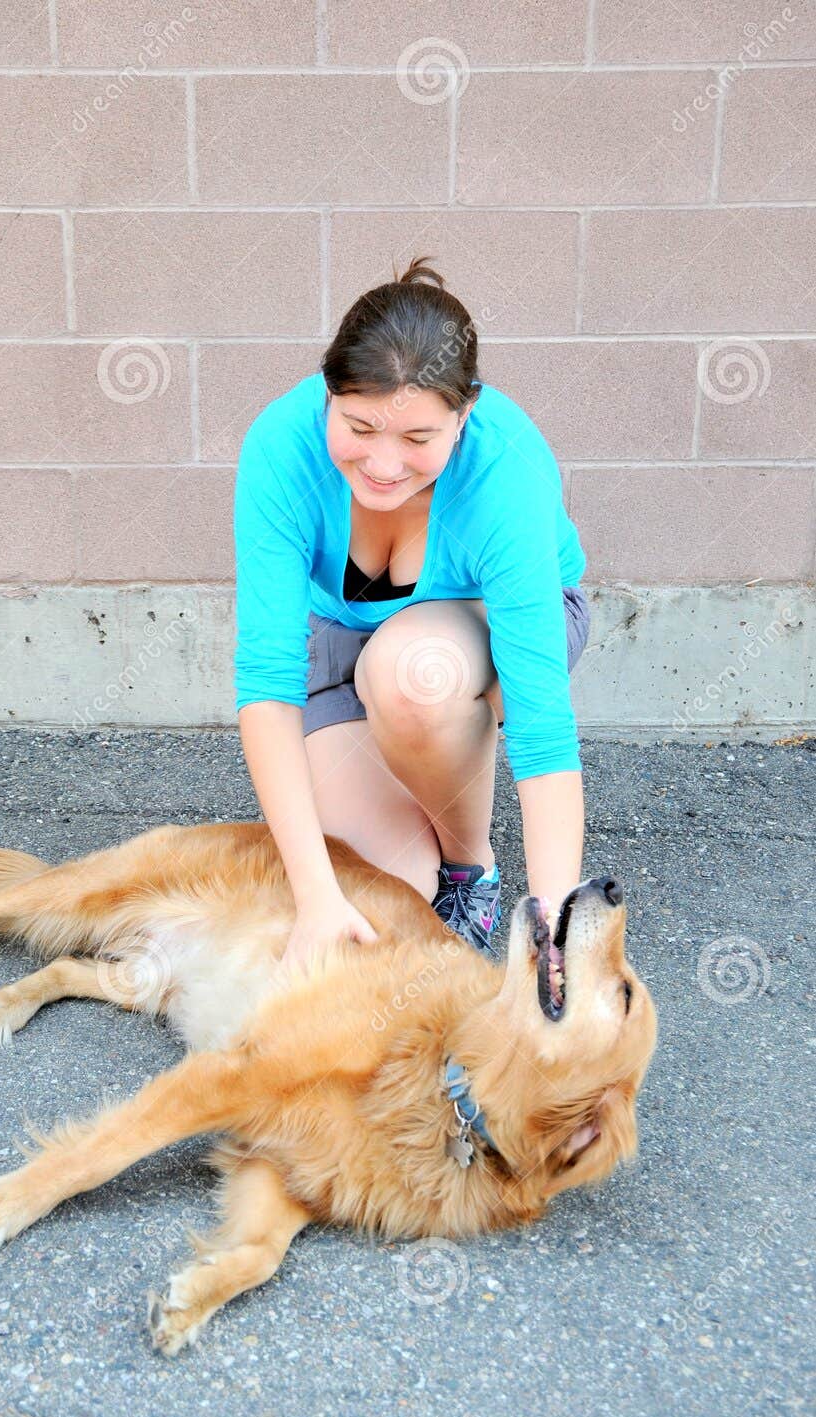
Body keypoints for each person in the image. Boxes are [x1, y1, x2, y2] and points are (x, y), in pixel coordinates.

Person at [233, 256, 591, 975]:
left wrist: (556, 932)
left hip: (474, 640)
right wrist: (315, 898)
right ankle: (415, 816)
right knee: (375, 904)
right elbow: (268, 685)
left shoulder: (506, 468)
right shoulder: (279, 447)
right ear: (327, 395)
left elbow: (540, 721)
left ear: (464, 413)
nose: (383, 464)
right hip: (337, 647)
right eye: (359, 426)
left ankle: (469, 868)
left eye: (417, 439)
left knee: (410, 674)